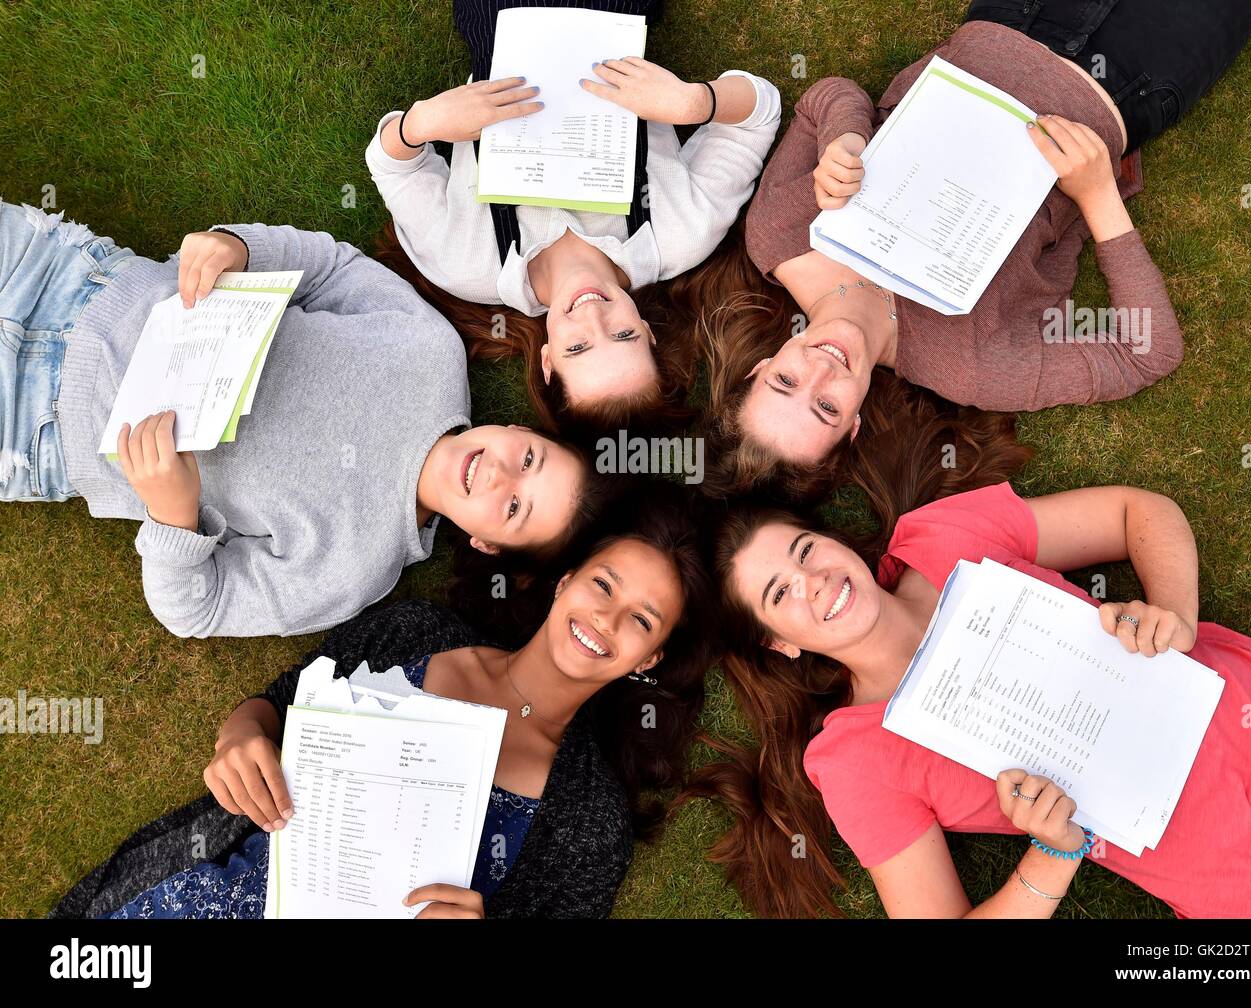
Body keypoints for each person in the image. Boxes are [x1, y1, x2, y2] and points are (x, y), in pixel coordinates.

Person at [51, 485, 713, 919]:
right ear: (567, 580)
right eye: (603, 585)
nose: (605, 618)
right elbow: (273, 706)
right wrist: (239, 739)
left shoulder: (590, 821)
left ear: (650, 657)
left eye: (641, 620)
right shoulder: (417, 633)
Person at [703, 1, 1251, 496]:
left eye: (786, 382)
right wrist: (1097, 197)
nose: (822, 372)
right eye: (826, 408)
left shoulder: (776, 238)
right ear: (853, 424)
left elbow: (828, 96)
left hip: (1008, 17)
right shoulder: (971, 367)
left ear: (760, 367)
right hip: (1130, 76)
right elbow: (1147, 354)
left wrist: (845, 140)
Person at [0, 200, 610, 638]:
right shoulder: (432, 349)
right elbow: (330, 268)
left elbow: (197, 610)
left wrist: (172, 514)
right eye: (530, 460)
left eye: (513, 509)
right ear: (520, 431)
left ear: (485, 543)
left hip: (37, 432)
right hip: (74, 277)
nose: (503, 476)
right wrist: (239, 247)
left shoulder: (354, 570)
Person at [693, 481, 1251, 919]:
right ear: (779, 644)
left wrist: (1174, 615)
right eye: (781, 594)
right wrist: (1051, 854)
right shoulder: (854, 758)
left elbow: (1133, 510)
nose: (814, 581)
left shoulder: (940, 538)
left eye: (805, 551)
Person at [368, 0, 781, 435]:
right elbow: (759, 115)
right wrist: (697, 102)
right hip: (611, 17)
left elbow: (394, 166)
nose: (592, 316)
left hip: (501, 20)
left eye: (578, 347)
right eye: (624, 336)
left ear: (548, 361)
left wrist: (421, 124)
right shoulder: (679, 235)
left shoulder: (468, 265)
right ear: (648, 331)